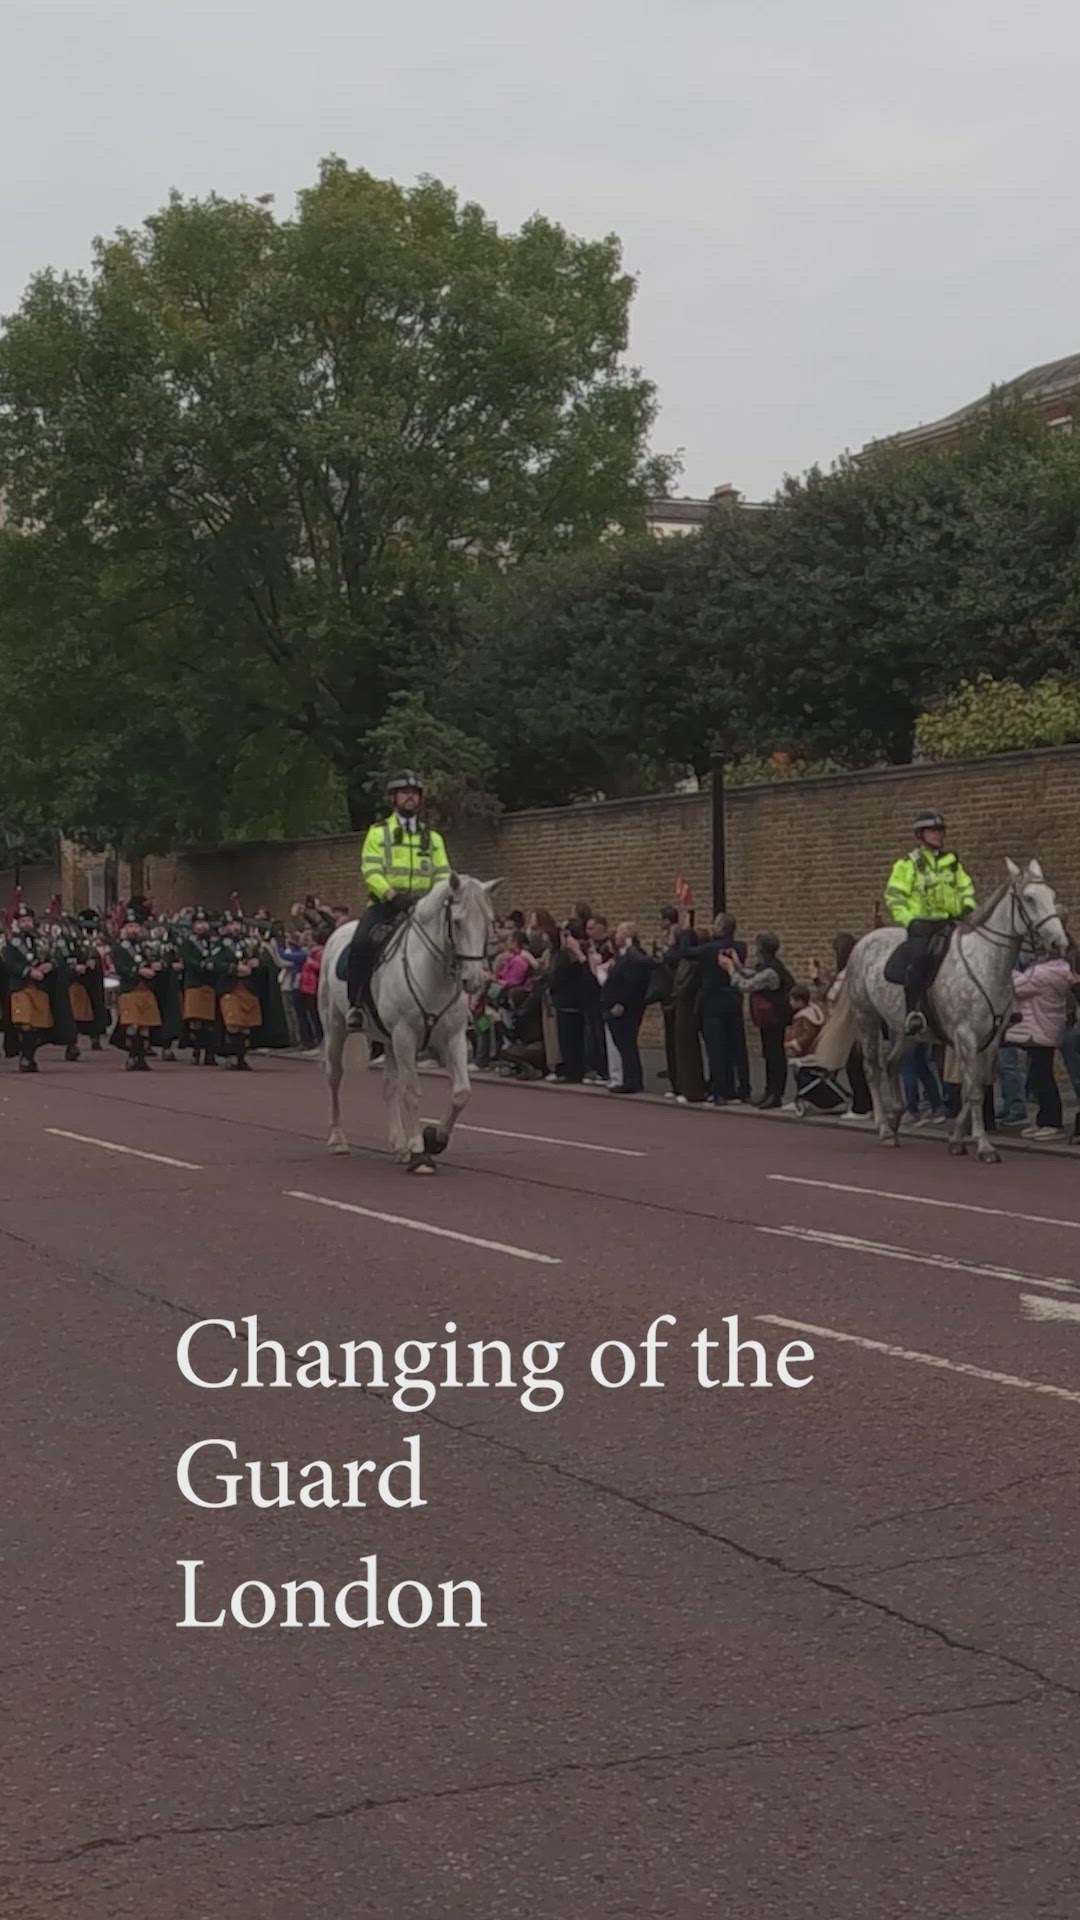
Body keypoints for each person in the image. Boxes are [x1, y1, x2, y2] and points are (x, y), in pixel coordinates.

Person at [346, 771, 451, 1032]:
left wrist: (434, 899)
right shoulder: (378, 833)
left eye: (414, 793)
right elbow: (371, 871)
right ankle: (355, 1005)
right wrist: (391, 895)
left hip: (425, 907)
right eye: (404, 793)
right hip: (387, 905)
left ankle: (457, 1006)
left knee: (454, 943)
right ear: (394, 798)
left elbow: (443, 875)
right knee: (360, 944)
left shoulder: (433, 838)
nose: (410, 797)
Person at [885, 812, 976, 1036]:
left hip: (951, 920)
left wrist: (968, 905)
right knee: (920, 960)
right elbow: (895, 896)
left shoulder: (952, 863)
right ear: (920, 835)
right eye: (932, 831)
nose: (937, 835)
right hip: (922, 924)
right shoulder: (907, 864)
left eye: (939, 831)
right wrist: (909, 920)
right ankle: (913, 1012)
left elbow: (966, 887)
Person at [682, 912, 750, 1105]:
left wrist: (687, 930)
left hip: (713, 1002)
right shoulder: (740, 947)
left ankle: (720, 1091)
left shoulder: (710, 949)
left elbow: (686, 952)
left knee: (716, 1048)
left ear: (719, 927)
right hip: (733, 1000)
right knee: (738, 1046)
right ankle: (743, 1089)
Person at [720, 933, 794, 1109]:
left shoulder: (770, 971)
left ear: (762, 950)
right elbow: (752, 974)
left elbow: (747, 985)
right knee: (769, 1054)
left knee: (775, 1056)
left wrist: (730, 970)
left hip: (774, 1018)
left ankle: (775, 1094)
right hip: (770, 1019)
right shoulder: (770, 966)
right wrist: (737, 964)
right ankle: (770, 1092)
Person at [1007, 951, 1072, 1139]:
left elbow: (1015, 987)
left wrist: (1009, 968)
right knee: (1040, 1074)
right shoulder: (1059, 970)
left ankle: (1052, 1122)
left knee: (1043, 1077)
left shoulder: (1041, 973)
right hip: (1045, 1028)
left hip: (1039, 1030)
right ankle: (1044, 1120)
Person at [601, 922, 653, 1094]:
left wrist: (621, 1003)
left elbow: (632, 983)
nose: (616, 936)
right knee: (623, 1043)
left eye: (619, 933)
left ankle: (632, 1080)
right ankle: (630, 1078)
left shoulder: (633, 956)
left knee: (627, 1042)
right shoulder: (623, 956)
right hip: (618, 1005)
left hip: (626, 1007)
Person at [181, 908, 220, 1066]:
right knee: (195, 1021)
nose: (202, 926)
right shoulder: (188, 942)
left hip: (210, 983)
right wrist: (202, 965)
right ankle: (196, 1051)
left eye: (204, 923)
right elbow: (188, 960)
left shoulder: (214, 941)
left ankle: (210, 1054)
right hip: (194, 982)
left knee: (210, 1021)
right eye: (198, 923)